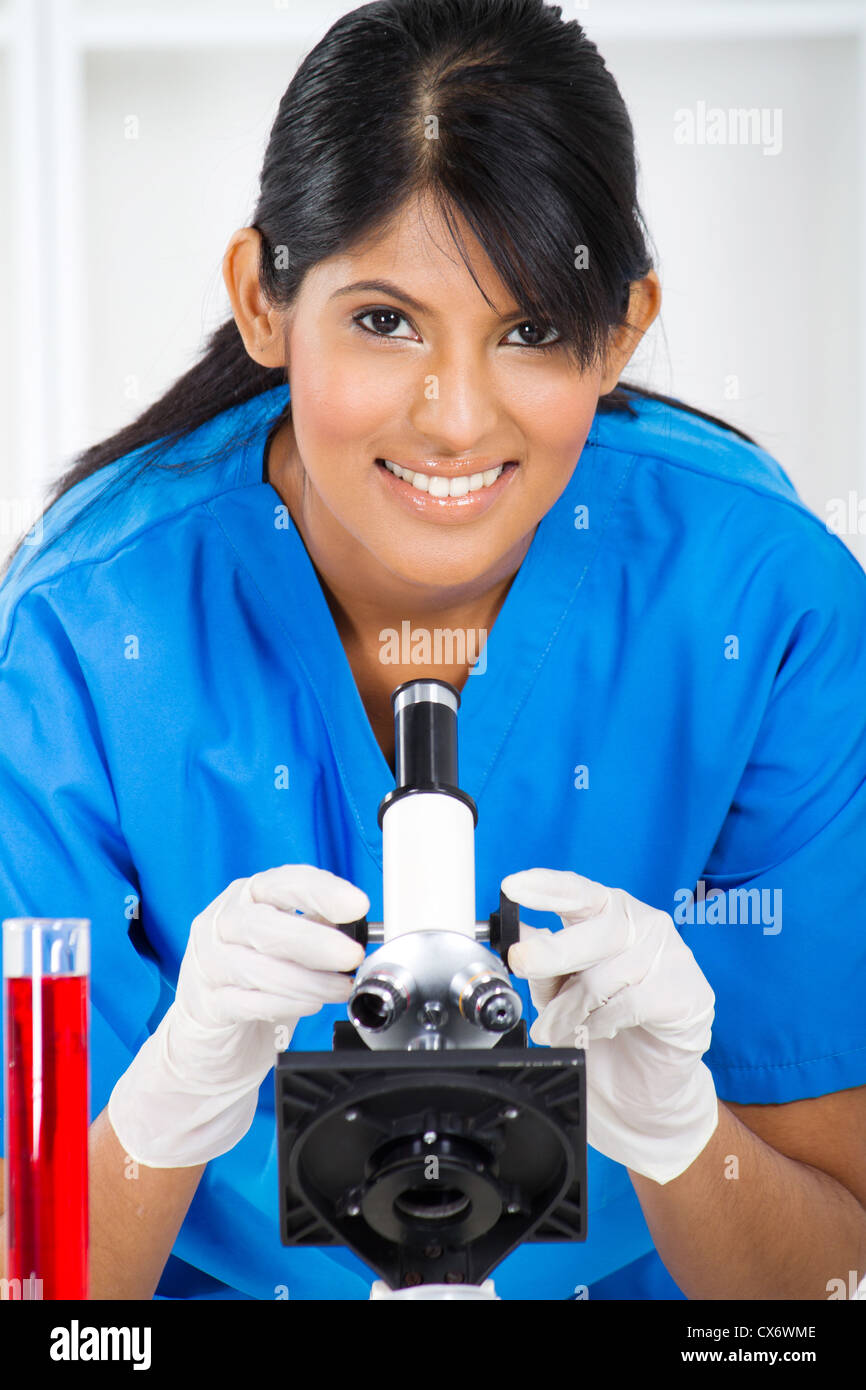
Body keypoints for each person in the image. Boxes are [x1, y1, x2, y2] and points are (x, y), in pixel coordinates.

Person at [1, 0, 865, 1302]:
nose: (453, 418)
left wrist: (680, 1136)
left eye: (527, 330)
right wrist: (166, 1104)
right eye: (384, 321)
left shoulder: (760, 601)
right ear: (262, 298)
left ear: (620, 327)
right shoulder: (81, 634)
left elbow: (833, 1270)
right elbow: (34, 1276)